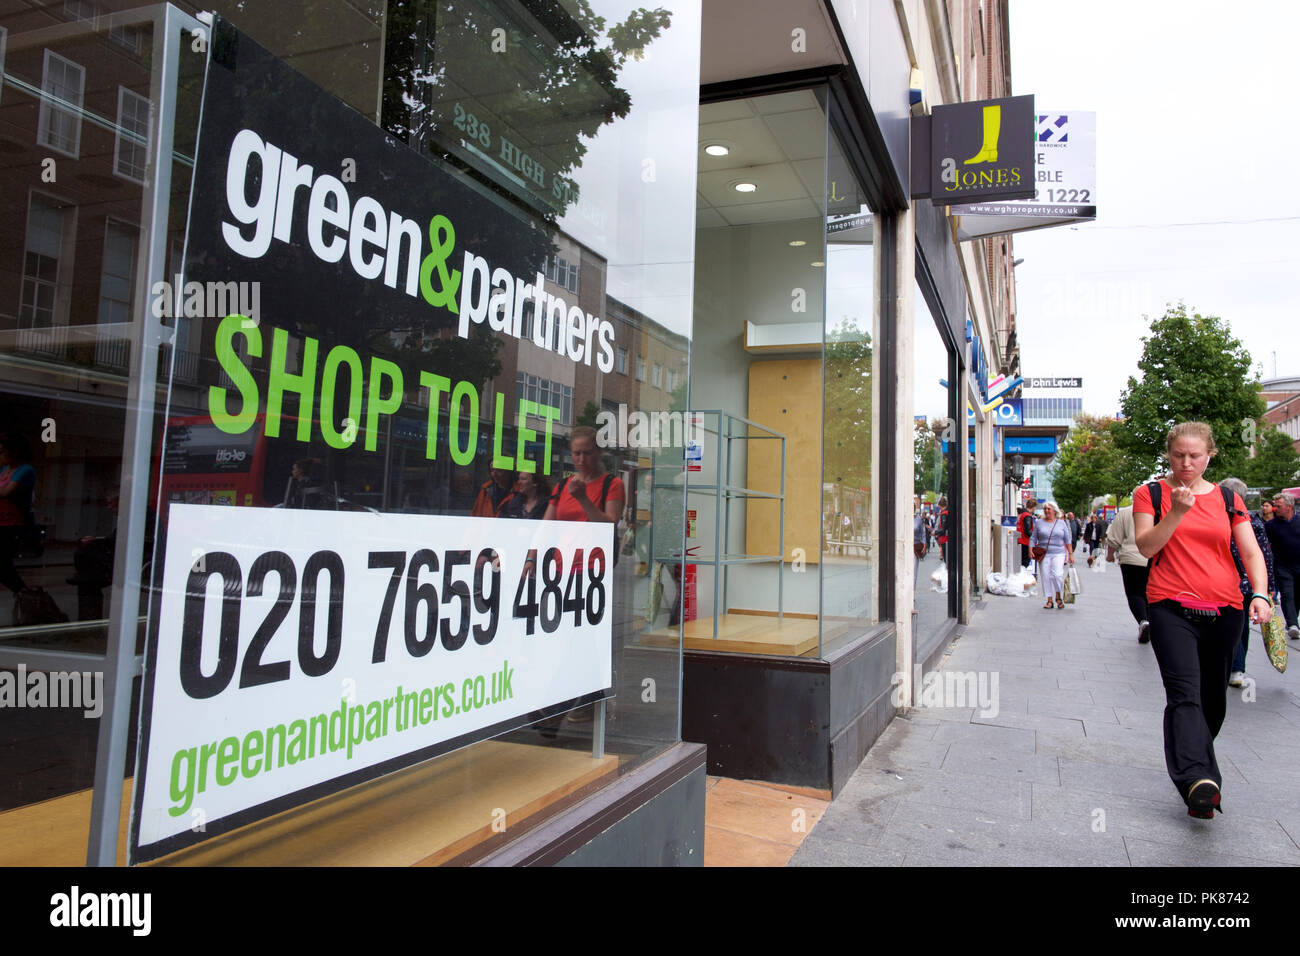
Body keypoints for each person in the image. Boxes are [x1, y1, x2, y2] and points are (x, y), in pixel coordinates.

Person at [1132, 422, 1272, 819]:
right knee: (1184, 694)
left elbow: (1251, 552)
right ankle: (1198, 779)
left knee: (1212, 702)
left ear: (1210, 455)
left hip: (1225, 610)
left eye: (1195, 455)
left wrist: (1260, 593)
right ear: (1168, 454)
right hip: (1169, 606)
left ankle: (1196, 776)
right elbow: (1146, 547)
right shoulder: (1152, 493)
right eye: (1178, 455)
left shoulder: (1229, 499)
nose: (1186, 463)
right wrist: (1177, 510)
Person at [1219, 477, 1276, 687]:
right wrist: (1267, 588)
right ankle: (1237, 669)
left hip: (1227, 584)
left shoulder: (1223, 520)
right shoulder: (1255, 522)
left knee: (1229, 625)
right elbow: (1265, 557)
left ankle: (1231, 667)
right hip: (1250, 585)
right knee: (1241, 627)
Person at [1105, 505, 1150, 642]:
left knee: (1134, 593)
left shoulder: (1124, 513)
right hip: (1154, 559)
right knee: (1150, 593)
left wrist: (1110, 555)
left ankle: (1143, 620)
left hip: (1131, 558)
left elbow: (1114, 539)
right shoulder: (1158, 509)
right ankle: (1151, 621)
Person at [0, 434, 37, 597]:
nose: (1, 456)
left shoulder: (25, 470)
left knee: (3, 563)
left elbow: (7, 491)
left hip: (11, 523)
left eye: (3, 452)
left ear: (14, 453)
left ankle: (25, 593)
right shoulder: (4, 470)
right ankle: (23, 592)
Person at [1263, 491, 1300, 640]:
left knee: (1297, 595)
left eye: (1278, 506)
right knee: (1287, 594)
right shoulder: (1271, 525)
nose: (1275, 509)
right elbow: (1266, 545)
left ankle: (1292, 620)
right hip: (1282, 566)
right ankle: (1292, 624)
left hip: (1299, 564)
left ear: (1289, 507)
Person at [1030, 501, 1074, 609]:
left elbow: (1067, 539)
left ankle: (1058, 596)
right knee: (1045, 576)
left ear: (1054, 510)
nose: (1046, 511)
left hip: (1058, 553)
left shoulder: (1061, 523)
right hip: (1043, 553)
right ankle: (1049, 600)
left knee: (1057, 575)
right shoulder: (1039, 522)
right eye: (1045, 509)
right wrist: (1030, 550)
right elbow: (1033, 538)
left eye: (1048, 509)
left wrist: (1070, 554)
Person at [1016, 500, 1037, 573]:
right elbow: (1027, 530)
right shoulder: (1027, 516)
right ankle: (1022, 579)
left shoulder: (1021, 514)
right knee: (1024, 563)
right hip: (1025, 542)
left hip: (1020, 541)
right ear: (1033, 507)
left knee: (1020, 563)